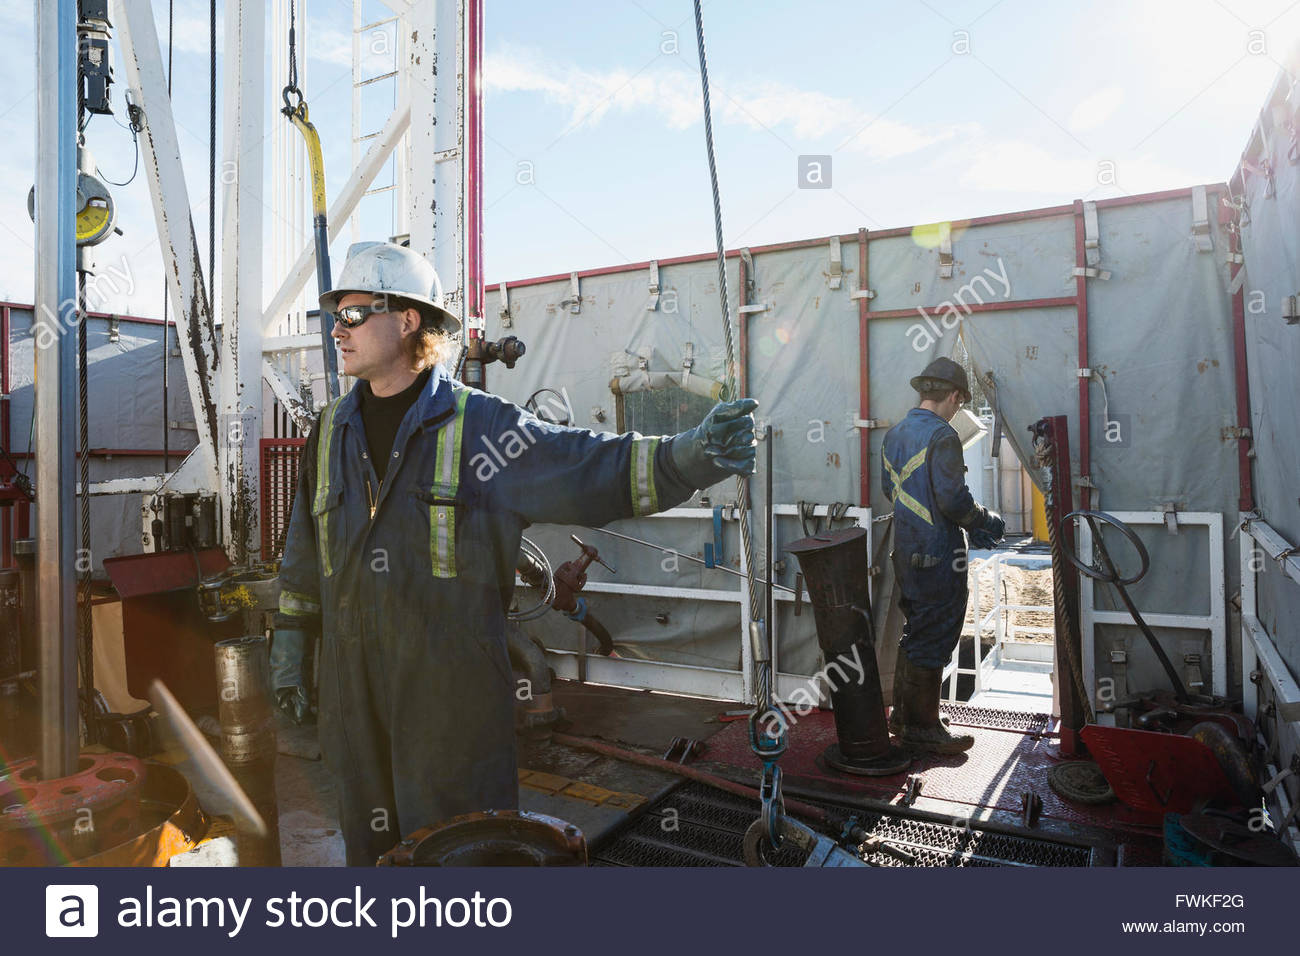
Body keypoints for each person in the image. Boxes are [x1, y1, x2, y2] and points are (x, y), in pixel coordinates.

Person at [272, 241, 757, 864]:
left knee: (462, 857)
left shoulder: (480, 428)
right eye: (334, 315)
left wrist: (687, 456)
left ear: (408, 319)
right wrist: (292, 642)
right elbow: (304, 553)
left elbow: (590, 466)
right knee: (373, 855)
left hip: (450, 701)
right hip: (352, 691)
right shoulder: (328, 431)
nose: (338, 328)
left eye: (354, 313)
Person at [881, 357, 1004, 754]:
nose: (957, 410)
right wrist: (985, 520)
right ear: (953, 396)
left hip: (906, 550)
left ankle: (905, 715)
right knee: (934, 635)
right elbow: (953, 501)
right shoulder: (943, 436)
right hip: (938, 553)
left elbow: (891, 489)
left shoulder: (895, 433)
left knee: (915, 630)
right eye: (959, 403)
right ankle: (922, 728)